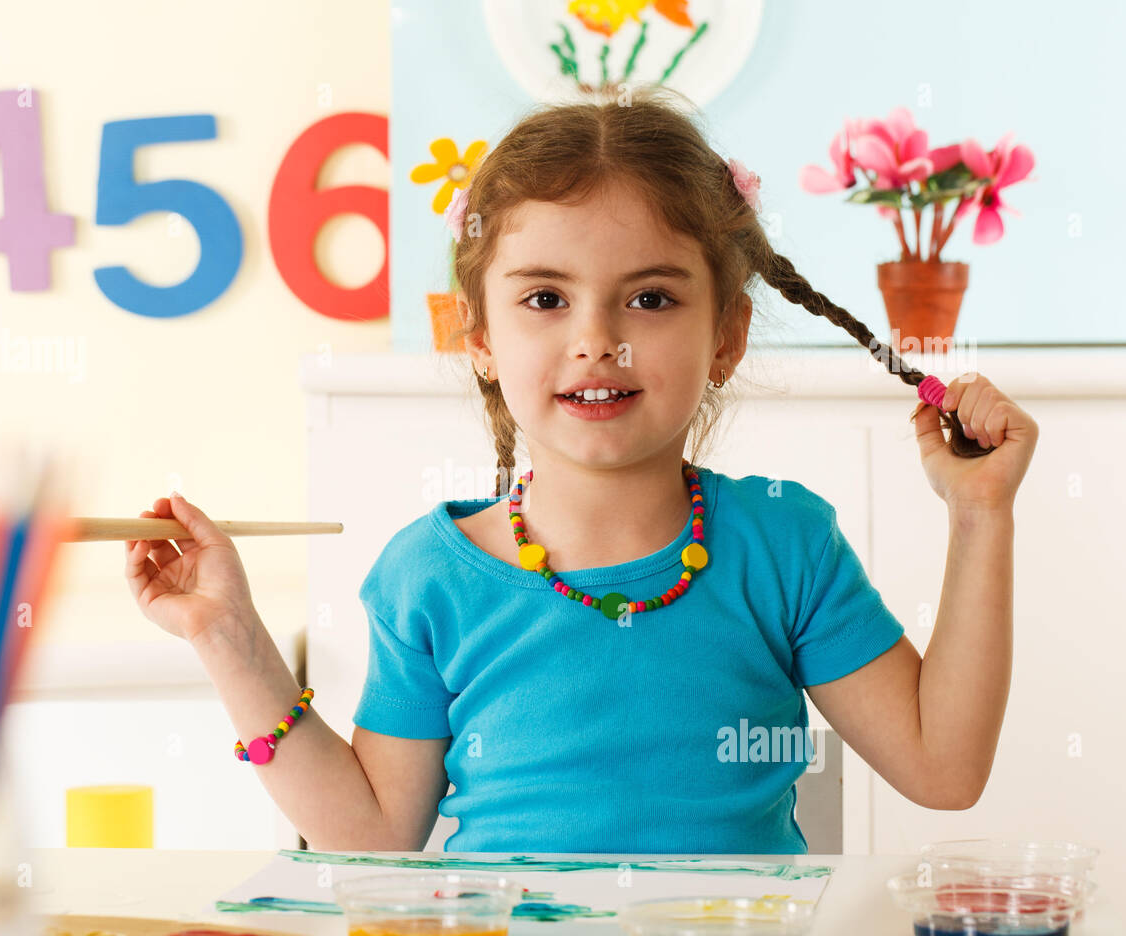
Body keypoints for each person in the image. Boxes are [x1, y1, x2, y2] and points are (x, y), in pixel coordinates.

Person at [126, 85, 1038, 854]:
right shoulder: (427, 579)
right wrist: (229, 636)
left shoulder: (785, 542)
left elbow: (945, 770)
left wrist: (978, 517)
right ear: (479, 336)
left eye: (649, 297)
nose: (597, 340)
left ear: (726, 336)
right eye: (545, 298)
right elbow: (371, 838)